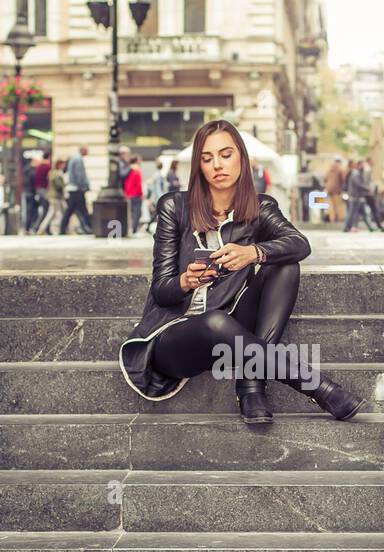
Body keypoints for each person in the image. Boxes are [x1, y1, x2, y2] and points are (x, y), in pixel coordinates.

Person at [120, 119, 364, 424]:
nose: (217, 165)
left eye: (225, 155)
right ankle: (318, 387)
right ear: (198, 166)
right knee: (214, 322)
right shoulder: (174, 207)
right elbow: (161, 290)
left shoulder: (260, 208)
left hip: (232, 323)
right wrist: (185, 280)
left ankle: (251, 385)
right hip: (172, 337)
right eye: (207, 159)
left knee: (285, 266)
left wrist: (253, 252)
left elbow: (299, 244)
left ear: (241, 158)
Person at [61, 146, 93, 234]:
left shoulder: (74, 158)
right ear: (83, 151)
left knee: (71, 210)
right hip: (77, 189)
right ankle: (90, 227)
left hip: (73, 188)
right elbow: (80, 175)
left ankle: (63, 228)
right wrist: (84, 186)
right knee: (83, 210)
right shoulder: (78, 159)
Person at [323, 156, 347, 225]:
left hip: (329, 190)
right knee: (338, 205)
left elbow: (325, 179)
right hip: (337, 190)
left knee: (331, 205)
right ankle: (339, 220)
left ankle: (332, 219)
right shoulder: (341, 169)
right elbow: (344, 179)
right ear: (340, 161)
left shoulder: (330, 169)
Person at [124, 155, 144, 234]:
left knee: (131, 213)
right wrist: (141, 193)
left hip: (129, 194)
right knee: (137, 213)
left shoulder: (128, 169)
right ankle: (134, 229)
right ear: (136, 161)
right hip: (136, 194)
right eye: (139, 160)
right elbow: (138, 184)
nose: (141, 162)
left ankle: (131, 228)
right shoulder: (137, 170)